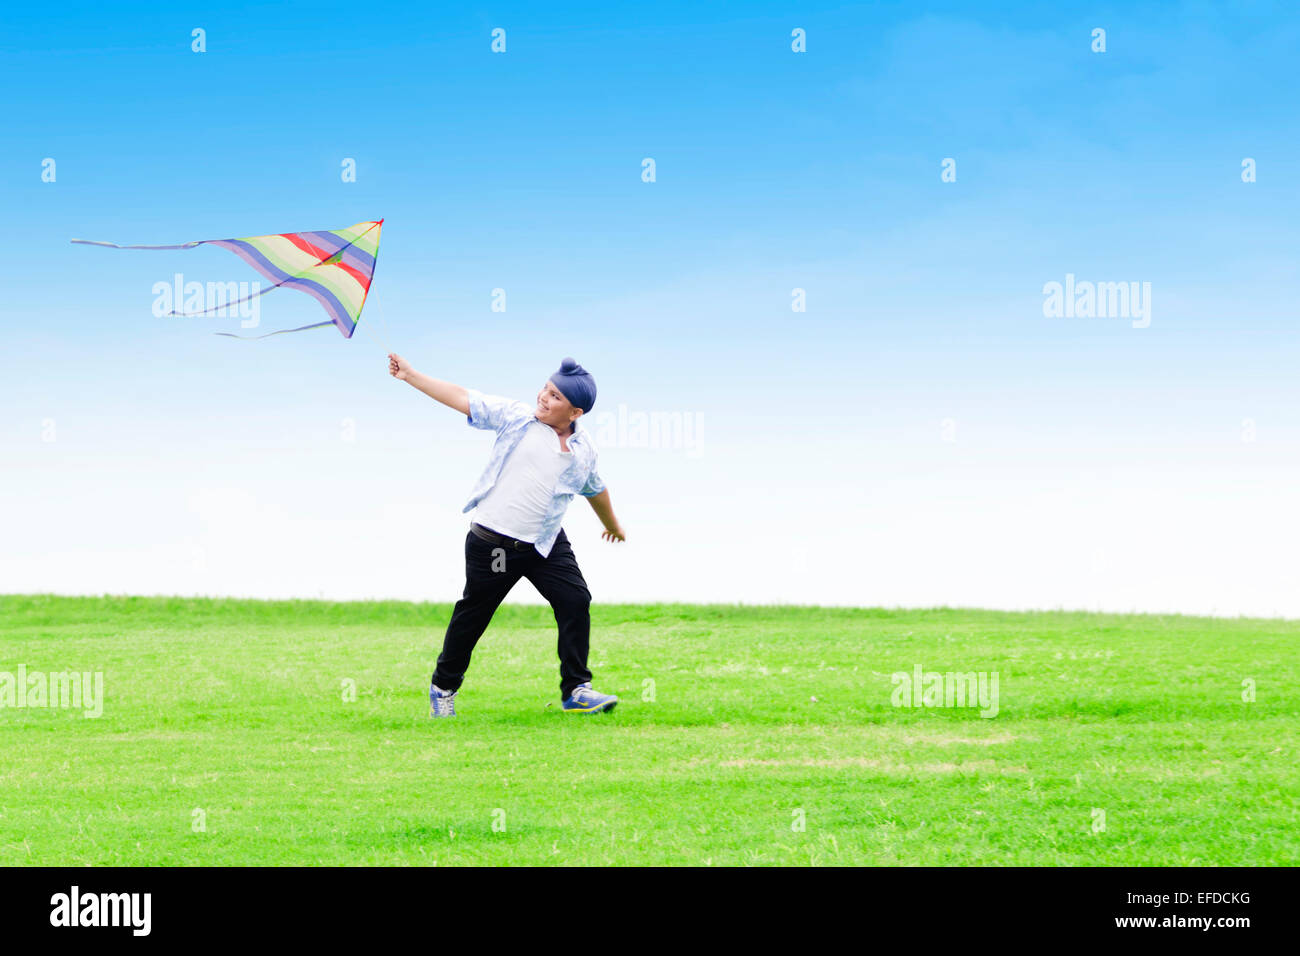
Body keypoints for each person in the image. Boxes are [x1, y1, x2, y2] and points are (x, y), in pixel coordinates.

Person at [388, 353, 626, 717]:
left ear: (575, 413)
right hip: (495, 544)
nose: (544, 398)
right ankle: (443, 688)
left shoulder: (584, 449)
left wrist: (611, 524)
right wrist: (410, 375)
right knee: (475, 615)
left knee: (575, 600)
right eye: (545, 390)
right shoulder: (517, 418)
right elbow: (462, 397)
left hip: (545, 543)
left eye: (555, 397)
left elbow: (595, 489)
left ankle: (576, 690)